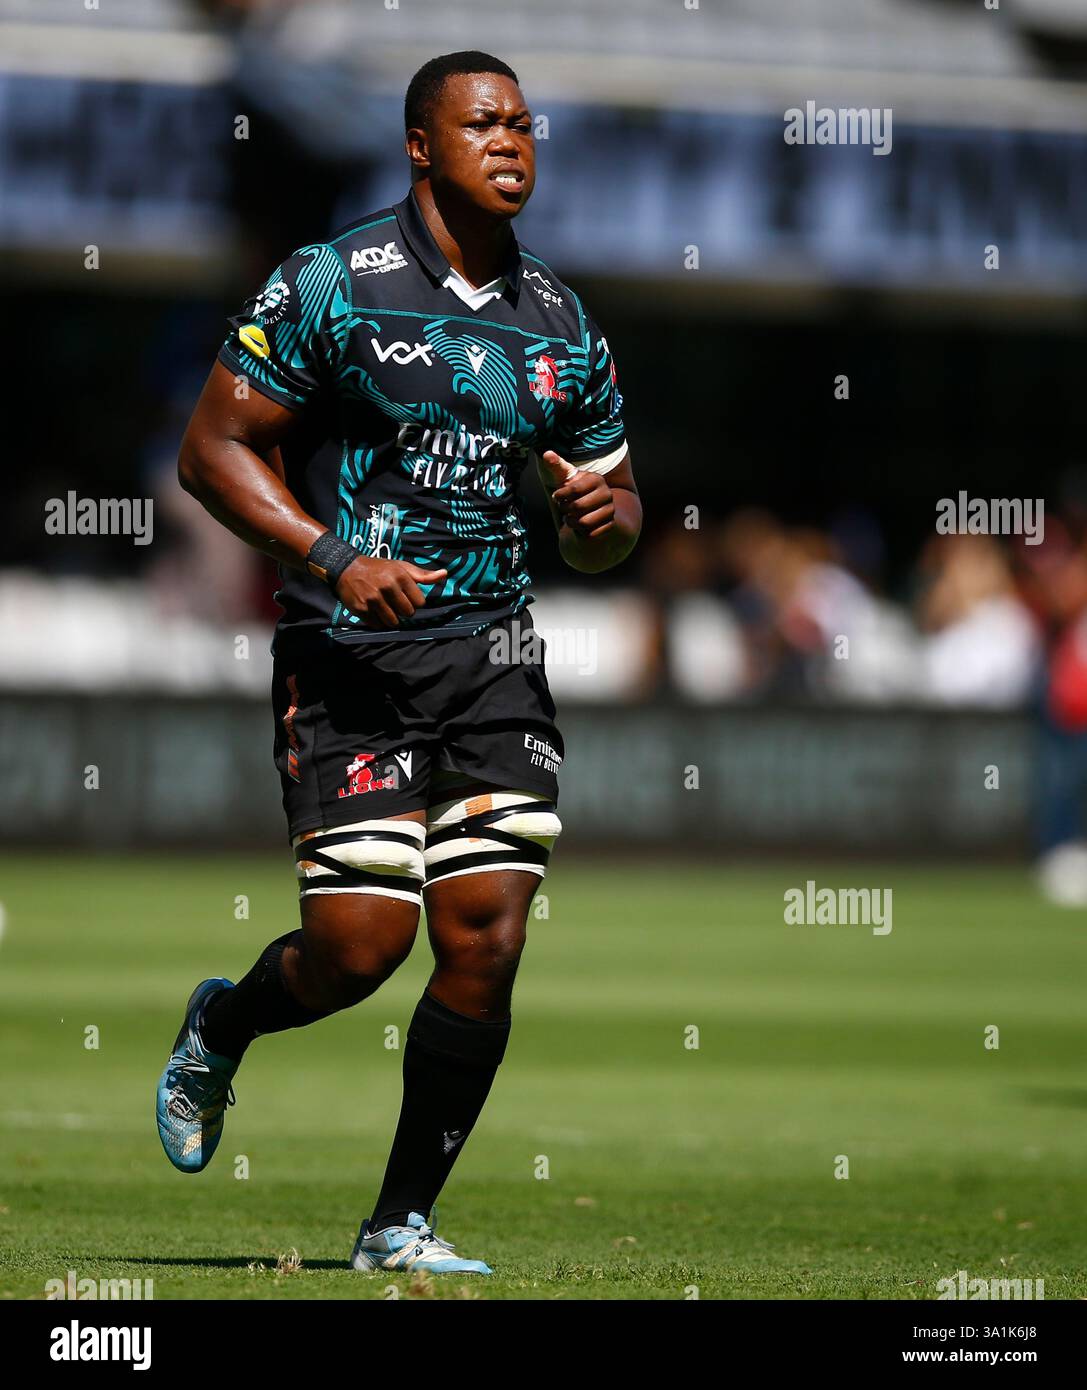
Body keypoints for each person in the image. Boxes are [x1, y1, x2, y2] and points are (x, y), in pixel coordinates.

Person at [155, 50, 641, 1276]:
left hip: (494, 656)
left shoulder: (563, 321)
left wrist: (604, 523)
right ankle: (225, 1019)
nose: (511, 142)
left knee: (485, 931)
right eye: (483, 124)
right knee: (358, 951)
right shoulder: (333, 281)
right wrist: (328, 553)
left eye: (525, 124)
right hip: (352, 654)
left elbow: (615, 507)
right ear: (422, 144)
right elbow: (212, 452)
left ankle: (397, 1223)